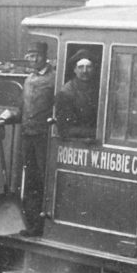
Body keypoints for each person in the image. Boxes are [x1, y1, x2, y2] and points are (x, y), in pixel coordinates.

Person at [18, 44, 53, 235]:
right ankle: (30, 223)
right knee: (30, 180)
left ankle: (41, 224)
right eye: (30, 56)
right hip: (28, 136)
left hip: (43, 137)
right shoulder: (29, 79)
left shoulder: (53, 78)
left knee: (42, 179)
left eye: (36, 56)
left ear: (44, 57)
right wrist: (6, 117)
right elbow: (21, 107)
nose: (33, 60)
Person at [55, 54, 98, 139]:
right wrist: (93, 133)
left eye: (88, 67)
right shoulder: (66, 92)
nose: (85, 71)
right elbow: (64, 129)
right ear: (75, 70)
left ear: (93, 69)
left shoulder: (97, 89)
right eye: (81, 67)